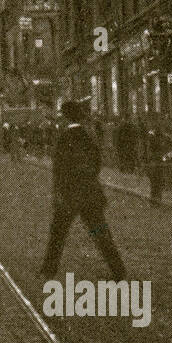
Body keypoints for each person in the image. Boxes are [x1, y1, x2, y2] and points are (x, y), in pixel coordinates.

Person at [40, 100, 127, 281]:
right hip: (89, 193)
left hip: (69, 195)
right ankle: (119, 271)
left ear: (65, 117)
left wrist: (59, 191)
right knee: (101, 233)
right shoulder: (88, 136)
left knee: (58, 234)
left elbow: (60, 169)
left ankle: (48, 270)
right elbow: (97, 161)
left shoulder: (64, 138)